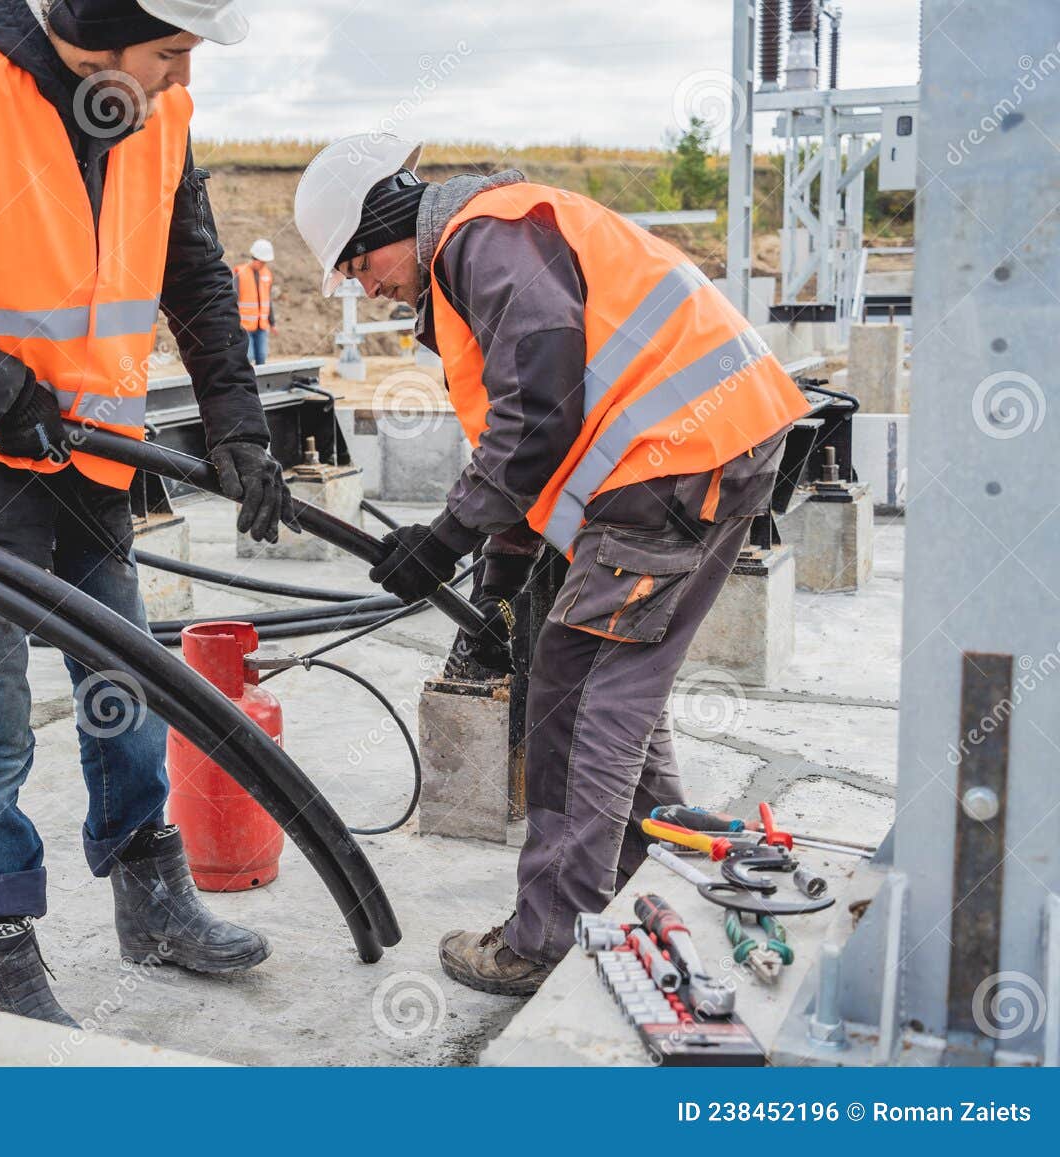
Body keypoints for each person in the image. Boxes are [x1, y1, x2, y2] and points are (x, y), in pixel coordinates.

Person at [0, 0, 296, 1027]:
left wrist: (237, 428)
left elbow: (197, 280)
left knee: (119, 677)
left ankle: (151, 897)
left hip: (86, 454)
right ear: (104, 21)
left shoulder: (158, 112)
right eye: (171, 49)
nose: (181, 75)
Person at [295, 133, 810, 998]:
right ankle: (650, 859)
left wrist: (445, 537)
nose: (361, 286)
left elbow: (539, 414)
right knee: (619, 685)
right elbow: (543, 439)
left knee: (575, 697)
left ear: (386, 219)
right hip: (708, 446)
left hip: (674, 457)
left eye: (355, 262)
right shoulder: (495, 246)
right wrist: (494, 581)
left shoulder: (482, 240)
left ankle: (550, 937)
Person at [232, 238, 275, 363]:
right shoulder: (240, 273)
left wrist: (272, 323)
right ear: (254, 258)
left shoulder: (267, 274)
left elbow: (268, 300)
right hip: (245, 326)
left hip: (261, 326)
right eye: (262, 262)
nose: (263, 265)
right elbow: (233, 300)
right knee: (248, 358)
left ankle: (260, 383)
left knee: (262, 357)